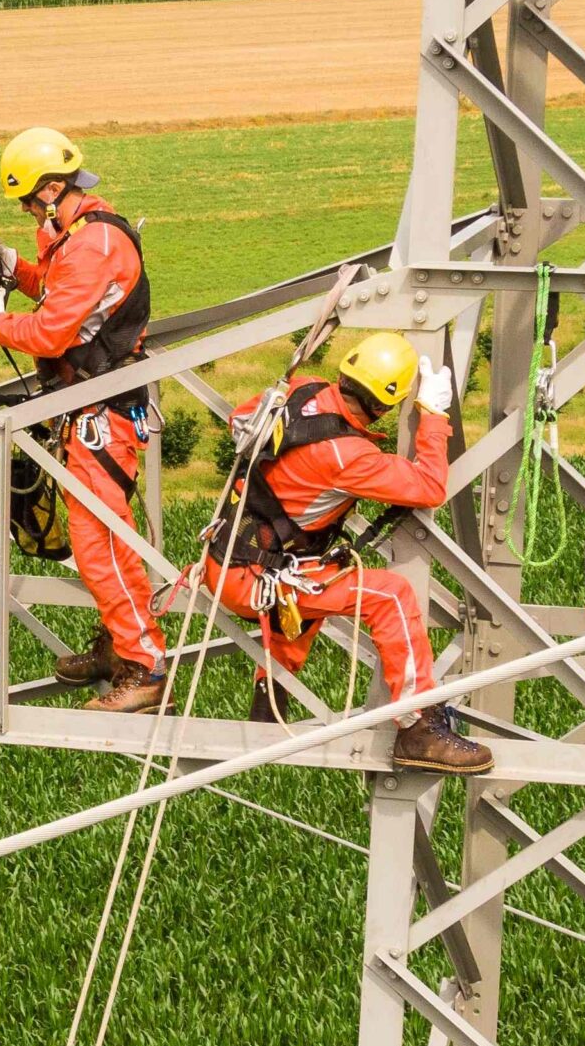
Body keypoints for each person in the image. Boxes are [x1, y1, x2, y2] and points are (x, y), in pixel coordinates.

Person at [201, 331, 492, 774]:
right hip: (256, 579)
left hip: (232, 558)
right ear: (385, 405)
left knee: (312, 588)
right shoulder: (348, 456)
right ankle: (418, 725)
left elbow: (241, 419)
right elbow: (429, 487)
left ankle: (269, 706)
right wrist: (433, 417)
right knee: (391, 596)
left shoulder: (304, 390)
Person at [0, 126, 168, 712]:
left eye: (31, 199)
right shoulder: (76, 235)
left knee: (96, 541)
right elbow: (60, 294)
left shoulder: (91, 245)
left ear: (54, 188)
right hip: (91, 405)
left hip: (103, 409)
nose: (30, 209)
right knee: (103, 538)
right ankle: (121, 643)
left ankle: (144, 664)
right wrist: (13, 268)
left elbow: (53, 329)